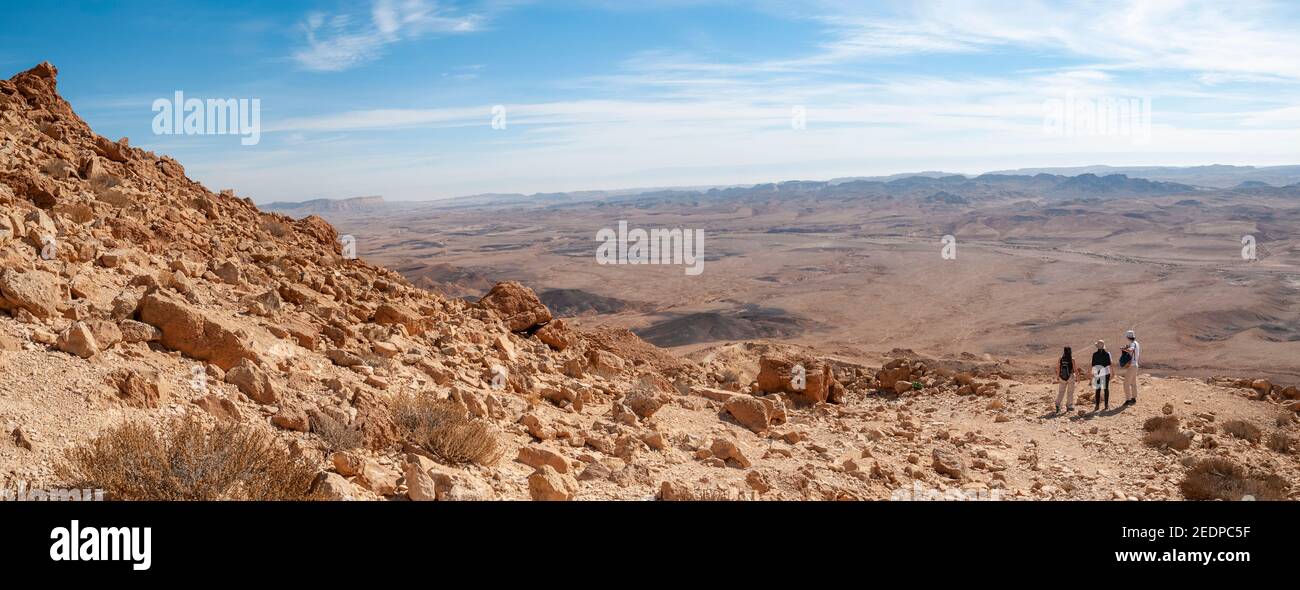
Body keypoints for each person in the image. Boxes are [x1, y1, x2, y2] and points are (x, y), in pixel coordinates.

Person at [1119, 330, 1141, 405]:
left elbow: (1131, 349)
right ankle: (1134, 398)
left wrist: (1123, 349)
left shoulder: (1133, 344)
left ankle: (1128, 399)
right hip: (1135, 365)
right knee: (1133, 382)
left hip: (1132, 366)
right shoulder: (1137, 343)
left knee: (1126, 383)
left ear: (1128, 337)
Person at [1090, 340, 1113, 412]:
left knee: (1098, 389)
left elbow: (1093, 364)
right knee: (1106, 389)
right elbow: (1109, 363)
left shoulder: (1094, 354)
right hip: (1106, 373)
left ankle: (1097, 406)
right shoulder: (1107, 354)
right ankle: (1106, 405)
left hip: (1098, 373)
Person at [1055, 346, 1076, 414]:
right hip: (1070, 377)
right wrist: (1078, 377)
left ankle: (1058, 405)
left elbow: (1058, 368)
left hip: (1062, 377)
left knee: (1061, 392)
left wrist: (1058, 376)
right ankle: (1069, 406)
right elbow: (1075, 369)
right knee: (1070, 392)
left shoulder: (1060, 359)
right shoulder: (1072, 359)